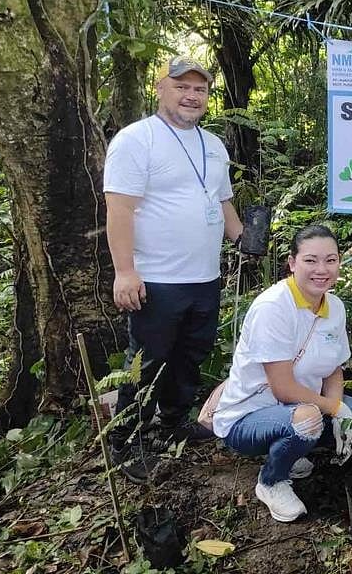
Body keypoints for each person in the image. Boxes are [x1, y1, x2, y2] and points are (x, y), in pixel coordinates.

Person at [104, 55, 243, 484]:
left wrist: (245, 239)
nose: (191, 96)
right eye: (182, 86)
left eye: (199, 89)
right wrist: (125, 272)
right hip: (157, 278)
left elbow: (221, 202)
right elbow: (119, 208)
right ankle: (127, 441)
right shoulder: (136, 140)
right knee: (147, 361)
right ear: (161, 88)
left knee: (191, 353)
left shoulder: (213, 145)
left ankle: (174, 420)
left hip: (204, 276)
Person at [212, 225, 352, 522]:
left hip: (303, 406)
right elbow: (283, 389)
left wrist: (340, 414)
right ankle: (271, 481)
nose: (322, 269)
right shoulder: (273, 307)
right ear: (292, 263)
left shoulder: (335, 306)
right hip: (251, 414)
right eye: (310, 260)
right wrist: (336, 408)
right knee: (308, 421)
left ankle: (294, 452)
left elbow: (333, 370)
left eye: (330, 260)